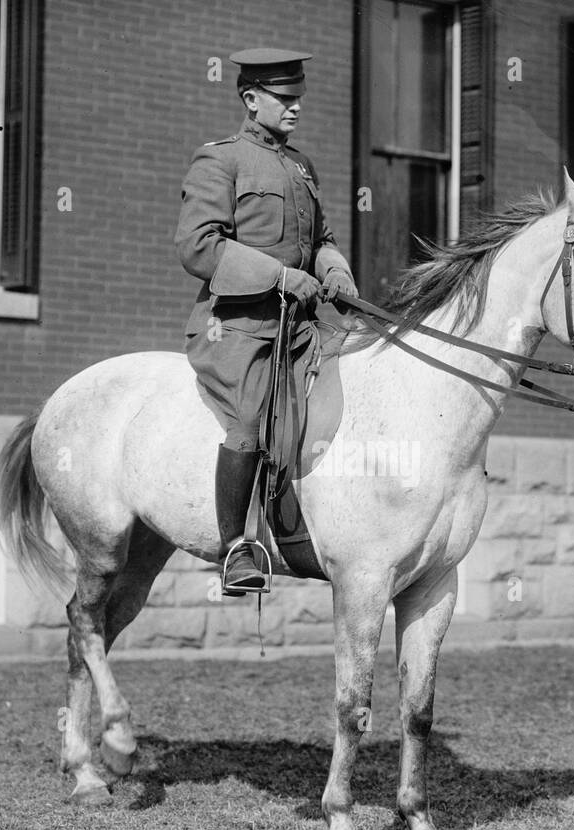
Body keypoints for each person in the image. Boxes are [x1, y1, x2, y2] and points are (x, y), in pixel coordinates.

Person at [176, 48, 357, 594]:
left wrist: (336, 271)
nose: (295, 107)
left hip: (301, 324)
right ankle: (236, 550)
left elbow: (319, 240)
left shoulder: (302, 167)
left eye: (298, 97)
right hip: (238, 329)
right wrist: (281, 277)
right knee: (250, 424)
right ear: (252, 99)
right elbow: (198, 246)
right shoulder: (219, 160)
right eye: (284, 98)